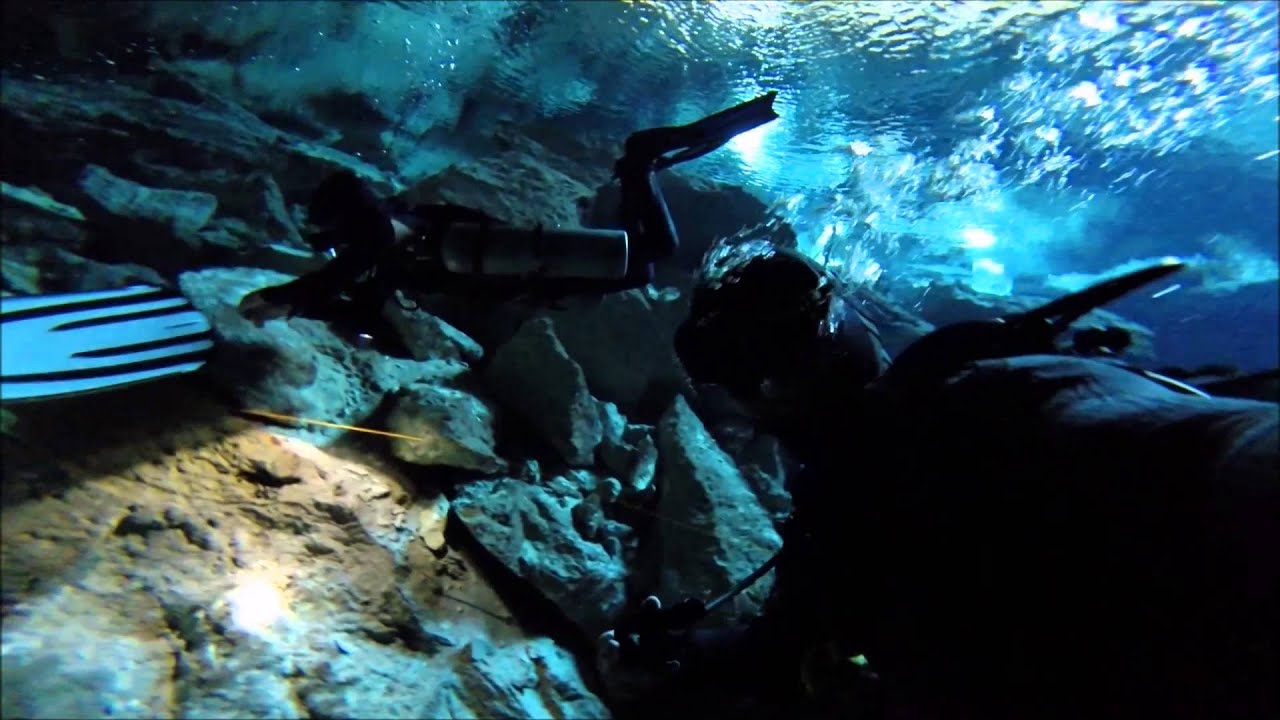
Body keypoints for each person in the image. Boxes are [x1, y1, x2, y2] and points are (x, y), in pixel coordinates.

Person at [596, 239, 1280, 719]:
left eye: (770, 372)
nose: (769, 395)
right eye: (749, 375)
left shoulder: (987, 408)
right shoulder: (875, 479)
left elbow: (1204, 451)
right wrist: (688, 654)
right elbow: (784, 647)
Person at [237, 92, 781, 334]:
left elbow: (376, 238)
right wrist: (305, 308)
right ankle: (641, 166)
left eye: (336, 231)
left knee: (651, 258)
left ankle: (640, 162)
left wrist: (291, 294)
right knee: (647, 260)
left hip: (539, 261)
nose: (337, 244)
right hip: (536, 275)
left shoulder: (401, 227)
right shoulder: (390, 253)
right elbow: (365, 306)